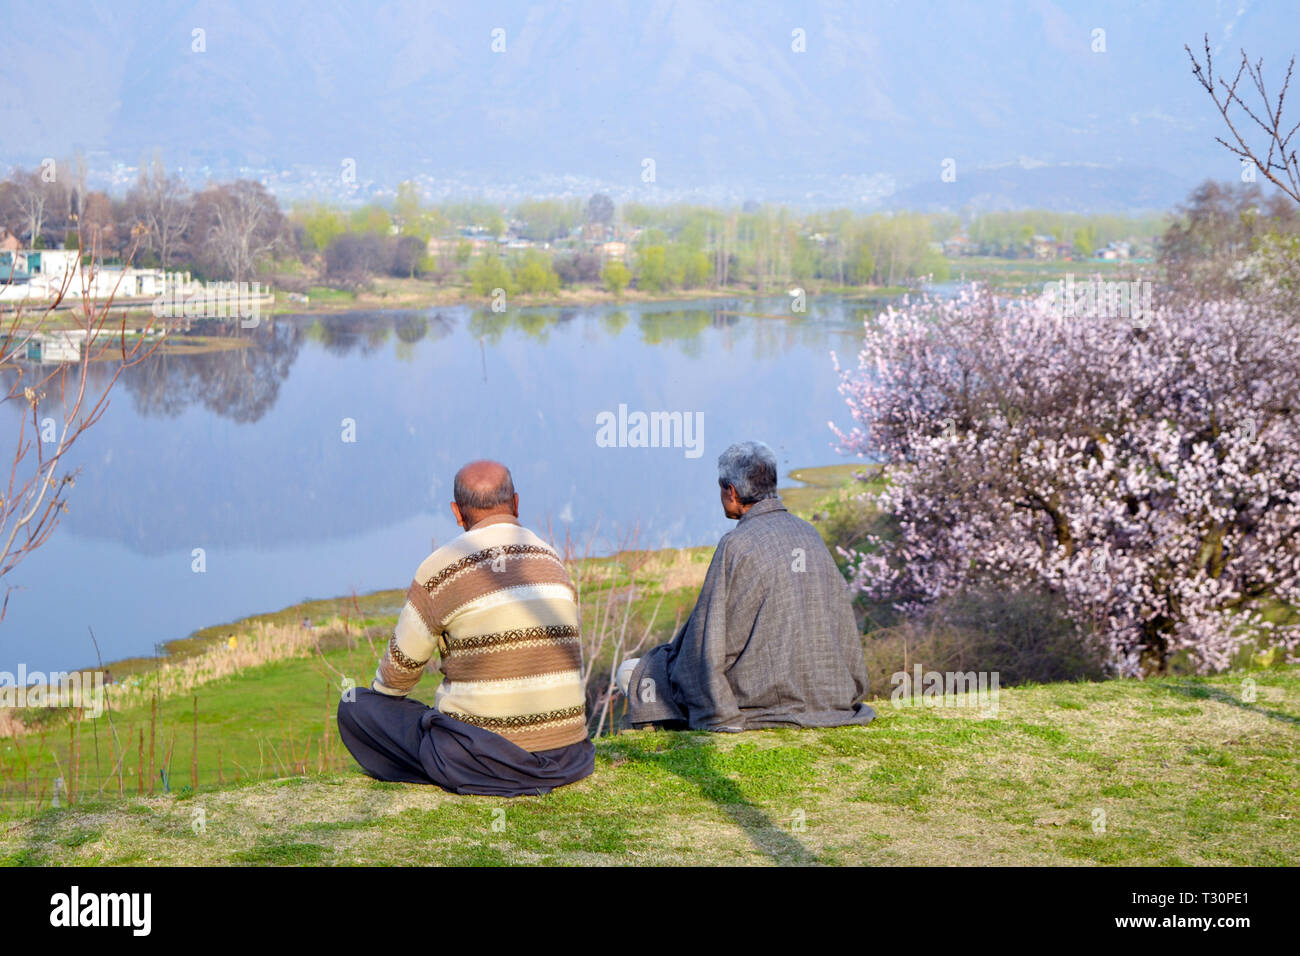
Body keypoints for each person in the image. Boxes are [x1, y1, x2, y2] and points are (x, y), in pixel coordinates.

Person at [337, 460, 594, 796]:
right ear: (516, 503)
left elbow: (395, 682)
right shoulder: (552, 560)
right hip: (570, 759)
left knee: (356, 705)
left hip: (481, 760)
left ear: (457, 513)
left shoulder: (441, 568)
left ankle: (456, 770)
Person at [619, 441, 875, 731]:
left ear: (732, 491)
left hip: (760, 701)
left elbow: (707, 642)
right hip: (831, 699)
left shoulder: (736, 544)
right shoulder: (810, 534)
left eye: (721, 489)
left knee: (634, 673)